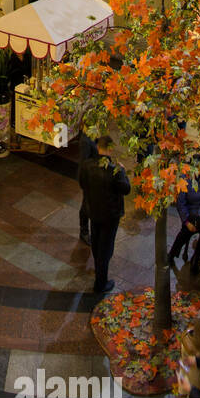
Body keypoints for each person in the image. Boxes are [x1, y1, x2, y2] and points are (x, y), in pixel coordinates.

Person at [78, 135, 130, 297]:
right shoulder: (115, 170)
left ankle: (99, 265)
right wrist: (123, 172)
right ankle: (101, 282)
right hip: (110, 214)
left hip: (93, 211)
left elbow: (82, 183)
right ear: (110, 148)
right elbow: (126, 189)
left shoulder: (87, 166)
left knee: (96, 240)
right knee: (106, 248)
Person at [169, 163, 200, 274]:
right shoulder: (185, 180)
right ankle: (172, 254)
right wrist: (186, 221)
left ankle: (196, 260)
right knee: (184, 233)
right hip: (191, 215)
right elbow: (181, 204)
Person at [77, 124, 98, 246]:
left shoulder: (94, 136)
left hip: (94, 176)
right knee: (86, 205)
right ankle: (83, 231)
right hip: (88, 178)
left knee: (87, 203)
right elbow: (83, 162)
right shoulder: (85, 141)